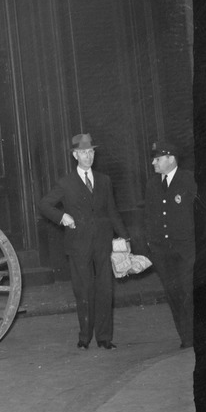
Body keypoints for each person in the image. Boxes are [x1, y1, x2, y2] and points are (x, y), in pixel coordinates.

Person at [40, 133, 129, 350]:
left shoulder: (104, 180)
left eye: (90, 152)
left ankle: (105, 338)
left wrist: (124, 238)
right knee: (84, 291)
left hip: (103, 242)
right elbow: (44, 205)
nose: (87, 157)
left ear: (94, 154)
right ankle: (85, 337)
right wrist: (62, 217)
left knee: (105, 290)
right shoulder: (65, 182)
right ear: (74, 155)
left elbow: (112, 211)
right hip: (78, 245)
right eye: (83, 153)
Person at [143, 139, 197, 349]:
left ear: (170, 159)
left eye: (157, 159)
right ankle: (185, 338)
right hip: (162, 252)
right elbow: (148, 216)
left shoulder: (189, 180)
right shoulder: (152, 184)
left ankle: (194, 336)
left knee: (188, 292)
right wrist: (151, 245)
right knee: (173, 295)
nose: (153, 163)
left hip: (186, 250)